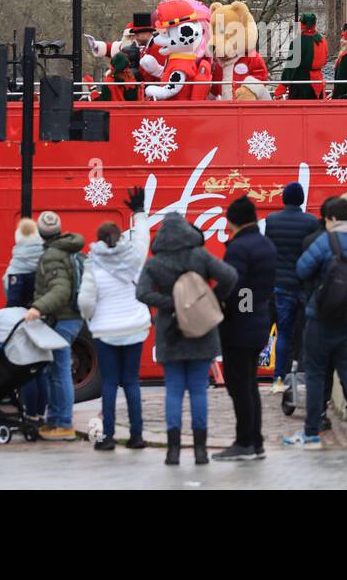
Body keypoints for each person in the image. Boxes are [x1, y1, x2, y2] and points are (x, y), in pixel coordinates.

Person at [137, 213, 239, 466]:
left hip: (170, 331)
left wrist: (171, 304)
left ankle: (173, 451)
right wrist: (208, 299)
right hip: (201, 329)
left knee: (173, 391)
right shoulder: (200, 255)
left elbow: (142, 293)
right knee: (198, 391)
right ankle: (200, 451)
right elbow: (230, 276)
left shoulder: (155, 262)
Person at [286, 198, 347, 450]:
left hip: (319, 319)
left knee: (316, 374)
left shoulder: (325, 241)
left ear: (332, 219)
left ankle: (312, 433)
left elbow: (302, 269)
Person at [78, 187, 150, 452]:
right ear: (120, 237)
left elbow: (85, 302)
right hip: (134, 327)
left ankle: (107, 437)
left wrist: (91, 317)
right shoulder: (134, 257)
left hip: (106, 330)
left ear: (98, 239)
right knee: (131, 382)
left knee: (109, 383)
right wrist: (139, 212)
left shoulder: (92, 263)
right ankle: (137, 435)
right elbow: (143, 238)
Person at [213, 196, 277, 461]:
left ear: (232, 221)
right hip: (259, 321)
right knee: (249, 386)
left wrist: (228, 307)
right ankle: (256, 441)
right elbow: (254, 289)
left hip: (242, 328)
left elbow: (238, 287)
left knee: (240, 386)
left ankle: (244, 442)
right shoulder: (265, 244)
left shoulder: (240, 248)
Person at [23, 210, 86, 442]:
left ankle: (64, 423)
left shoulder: (51, 255)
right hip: (71, 317)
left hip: (63, 318)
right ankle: (55, 420)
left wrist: (37, 307)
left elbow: (60, 290)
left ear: (40, 233)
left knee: (59, 371)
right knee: (54, 371)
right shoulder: (71, 248)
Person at [263, 182, 319, 394]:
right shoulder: (311, 222)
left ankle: (278, 379)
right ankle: (304, 374)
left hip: (281, 285)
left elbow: (271, 250)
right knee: (306, 331)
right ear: (302, 199)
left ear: (284, 198)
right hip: (304, 285)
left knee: (284, 333)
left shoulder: (272, 221)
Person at [277, 13, 328, 100]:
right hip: (318, 82)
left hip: (302, 85)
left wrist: (282, 86)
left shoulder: (298, 42)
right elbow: (325, 60)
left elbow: (291, 67)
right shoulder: (323, 40)